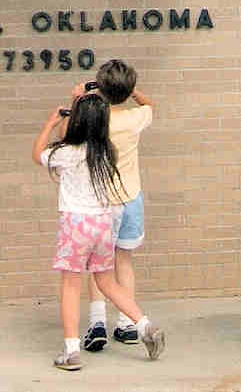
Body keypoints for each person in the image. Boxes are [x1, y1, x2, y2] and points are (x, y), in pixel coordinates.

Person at [32, 89, 165, 371]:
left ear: (78, 121)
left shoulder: (66, 152)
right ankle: (145, 326)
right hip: (103, 224)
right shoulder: (107, 151)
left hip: (76, 225)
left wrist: (50, 123)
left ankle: (71, 350)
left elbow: (37, 155)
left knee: (71, 285)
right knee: (107, 282)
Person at [78, 60, 153, 353]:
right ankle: (126, 323)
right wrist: (134, 91)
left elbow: (68, 129)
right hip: (130, 197)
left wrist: (81, 95)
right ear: (128, 88)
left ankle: (97, 323)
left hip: (101, 201)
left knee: (100, 265)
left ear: (101, 87)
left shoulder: (93, 120)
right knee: (124, 262)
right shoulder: (136, 118)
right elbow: (150, 104)